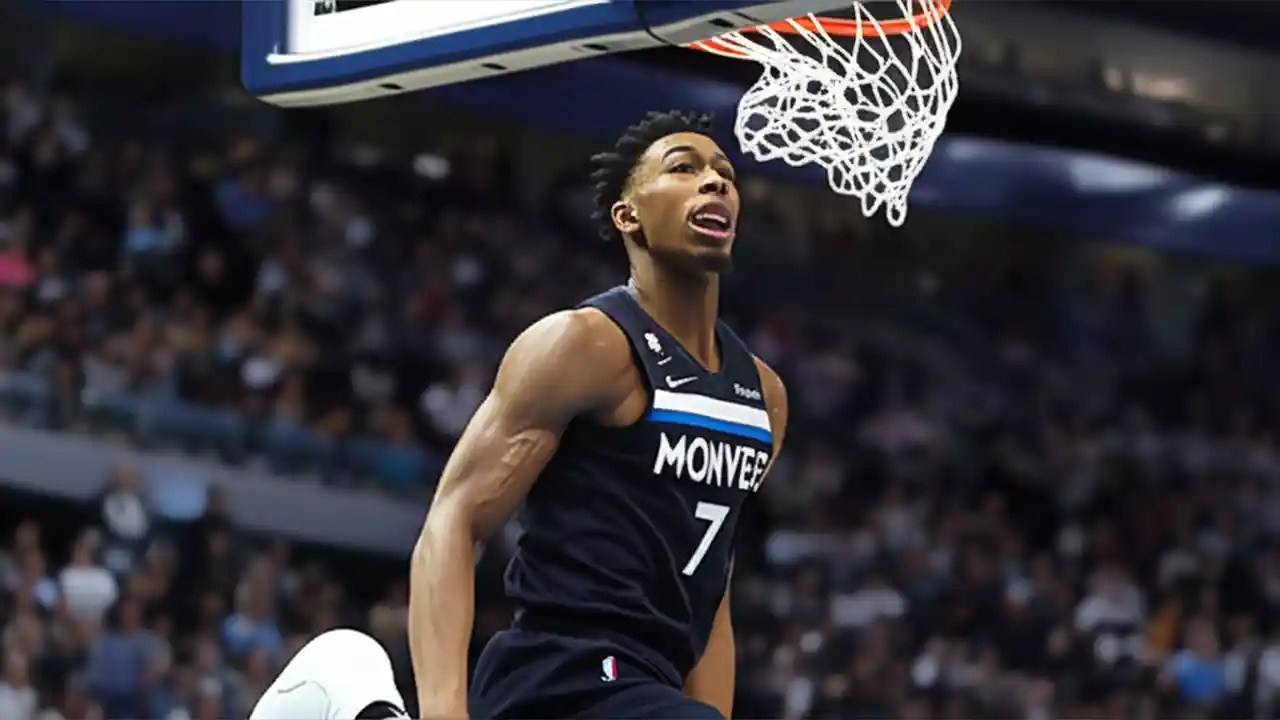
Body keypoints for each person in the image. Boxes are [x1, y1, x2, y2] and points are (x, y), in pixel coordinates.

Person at [410, 110, 788, 719]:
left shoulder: (762, 396)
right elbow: (454, 520)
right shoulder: (584, 345)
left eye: (725, 174)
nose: (716, 182)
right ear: (628, 215)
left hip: (651, 689)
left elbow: (710, 596)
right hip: (560, 673)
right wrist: (443, 712)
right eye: (684, 169)